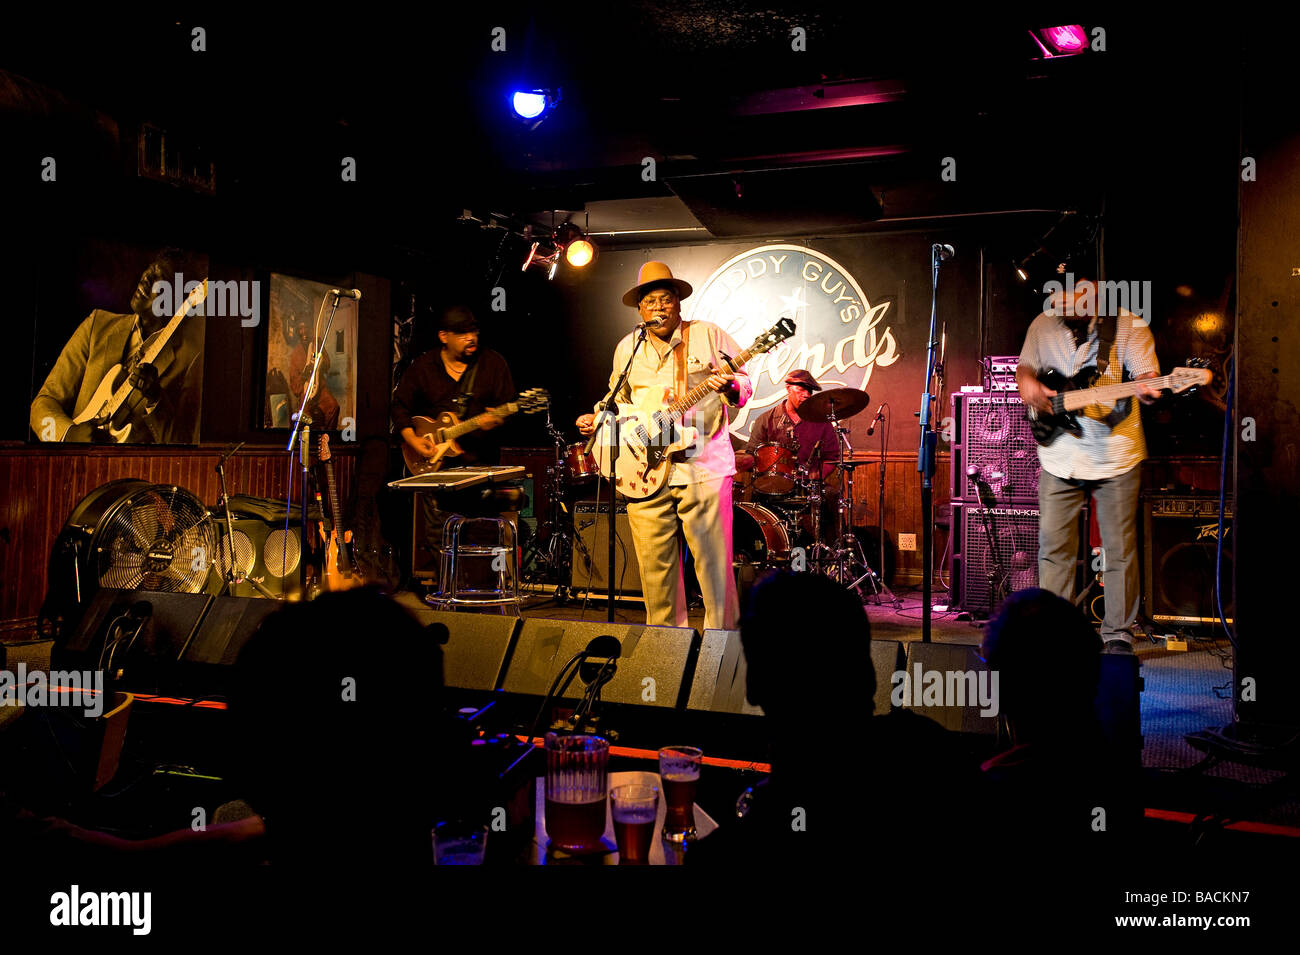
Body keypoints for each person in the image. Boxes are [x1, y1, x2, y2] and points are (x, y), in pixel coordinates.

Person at [576, 262, 751, 631]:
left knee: (714, 570)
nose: (659, 307)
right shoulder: (628, 347)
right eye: (651, 301)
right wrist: (596, 417)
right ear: (640, 310)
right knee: (655, 572)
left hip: (702, 465)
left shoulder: (707, 335)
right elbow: (615, 397)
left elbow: (743, 385)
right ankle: (667, 653)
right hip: (645, 471)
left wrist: (729, 387)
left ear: (678, 304)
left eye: (666, 299)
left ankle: (724, 654)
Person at [1016, 276, 1162, 654]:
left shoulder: (1129, 325)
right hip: (1058, 452)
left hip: (1115, 451)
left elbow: (1147, 373)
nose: (1068, 318)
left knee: (1119, 550)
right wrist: (1029, 385)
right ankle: (1054, 632)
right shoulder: (1042, 324)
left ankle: (1117, 636)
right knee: (1053, 548)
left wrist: (1147, 386)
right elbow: (1025, 371)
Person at [391, 305, 519, 584]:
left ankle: (482, 593)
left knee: (480, 530)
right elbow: (400, 407)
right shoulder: (424, 367)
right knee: (439, 532)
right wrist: (414, 440)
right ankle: (450, 591)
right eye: (462, 333)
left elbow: (507, 408)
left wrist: (494, 420)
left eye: (474, 331)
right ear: (443, 336)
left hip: (480, 464)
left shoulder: (492, 363)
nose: (471, 338)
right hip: (435, 466)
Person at [30, 250, 205, 444]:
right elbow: (42, 405)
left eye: (160, 278)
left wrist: (156, 399)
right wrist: (67, 434)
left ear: (175, 302)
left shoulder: (189, 361)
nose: (146, 278)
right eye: (149, 270)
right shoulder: (97, 325)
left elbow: (185, 445)